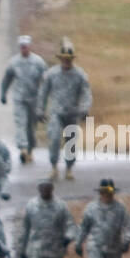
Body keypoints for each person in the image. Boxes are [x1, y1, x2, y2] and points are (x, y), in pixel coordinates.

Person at [37, 38, 92, 179]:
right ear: (60, 59)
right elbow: (43, 92)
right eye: (64, 59)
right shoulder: (51, 74)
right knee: (54, 138)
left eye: (69, 59)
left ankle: (69, 168)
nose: (66, 62)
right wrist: (40, 109)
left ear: (72, 59)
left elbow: (86, 93)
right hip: (56, 112)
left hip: (73, 113)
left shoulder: (80, 75)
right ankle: (54, 167)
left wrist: (85, 109)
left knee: (71, 142)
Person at [1, 36, 47, 163]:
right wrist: (3, 94)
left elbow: (46, 81)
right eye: (21, 47)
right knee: (21, 123)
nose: (23, 49)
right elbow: (7, 79)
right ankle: (23, 148)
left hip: (34, 98)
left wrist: (44, 98)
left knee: (31, 126)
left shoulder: (38, 62)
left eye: (25, 46)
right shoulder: (14, 62)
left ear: (29, 47)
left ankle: (30, 149)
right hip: (19, 98)